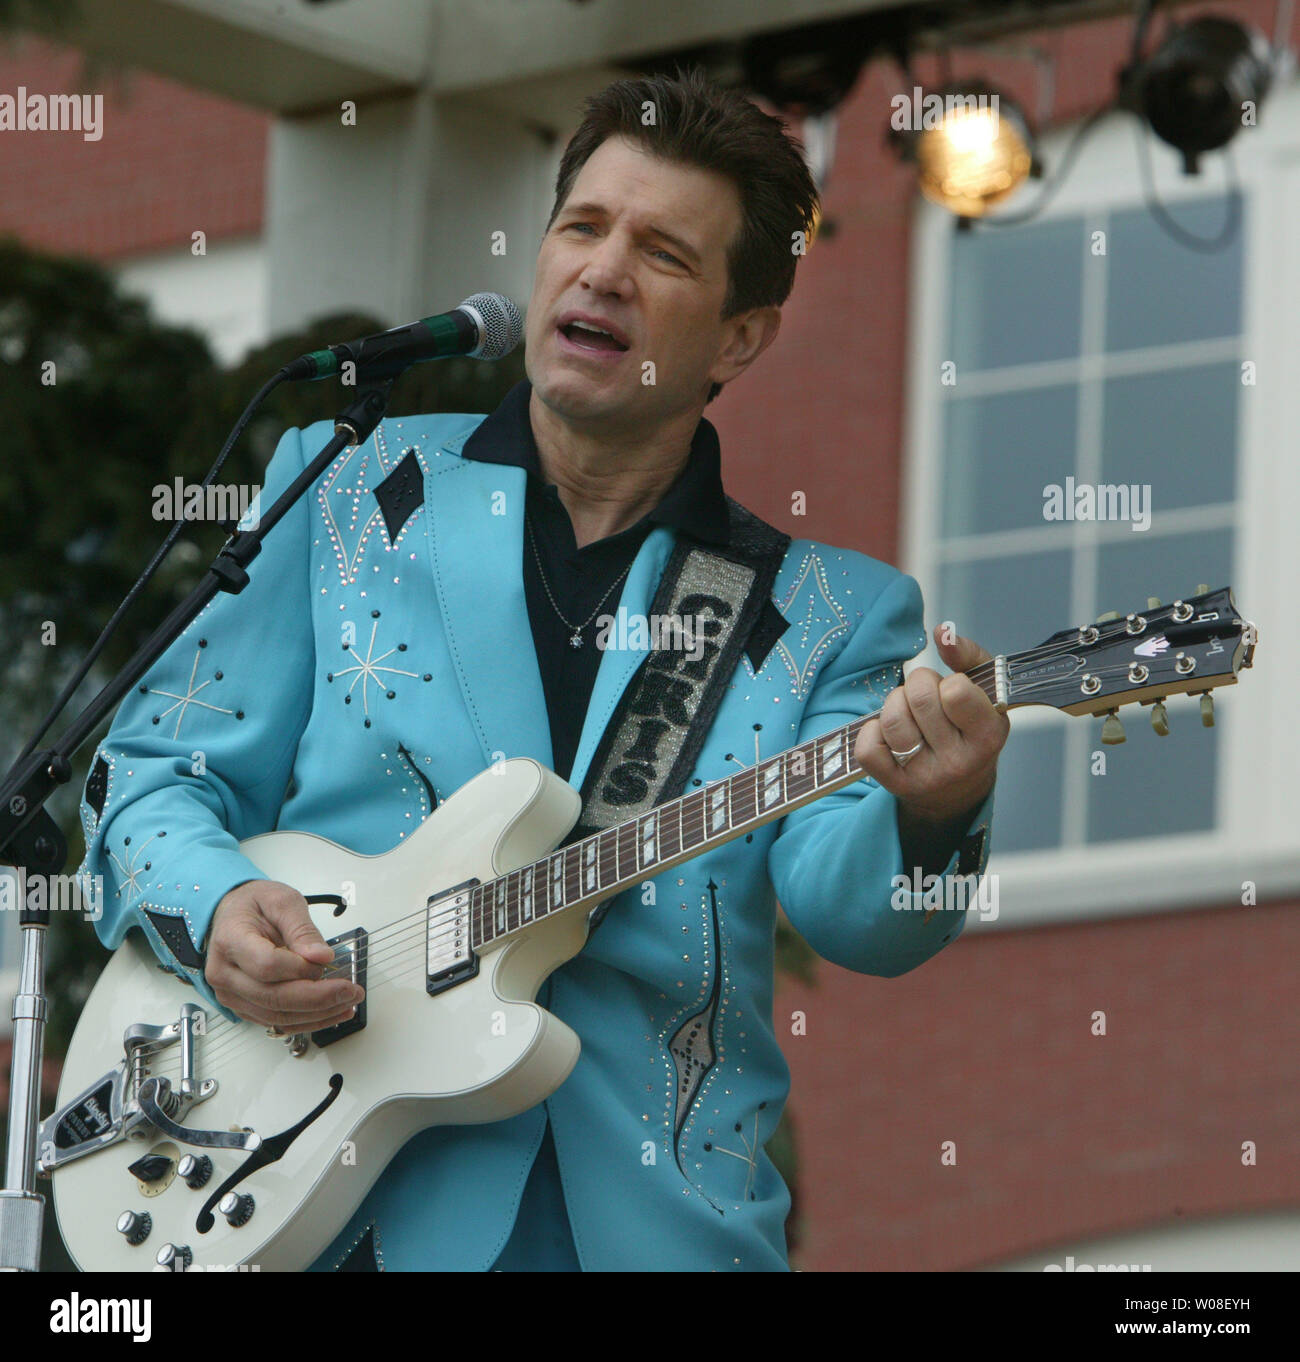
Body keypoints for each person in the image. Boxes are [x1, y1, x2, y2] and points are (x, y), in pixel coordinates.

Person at [78, 67, 1009, 1271]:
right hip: (313, 1188)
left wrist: (937, 812)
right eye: (582, 226)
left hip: (639, 1232)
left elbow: (859, 916)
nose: (603, 270)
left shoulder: (830, 612)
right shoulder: (349, 487)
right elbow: (154, 771)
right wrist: (214, 911)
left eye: (664, 254)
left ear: (741, 335)